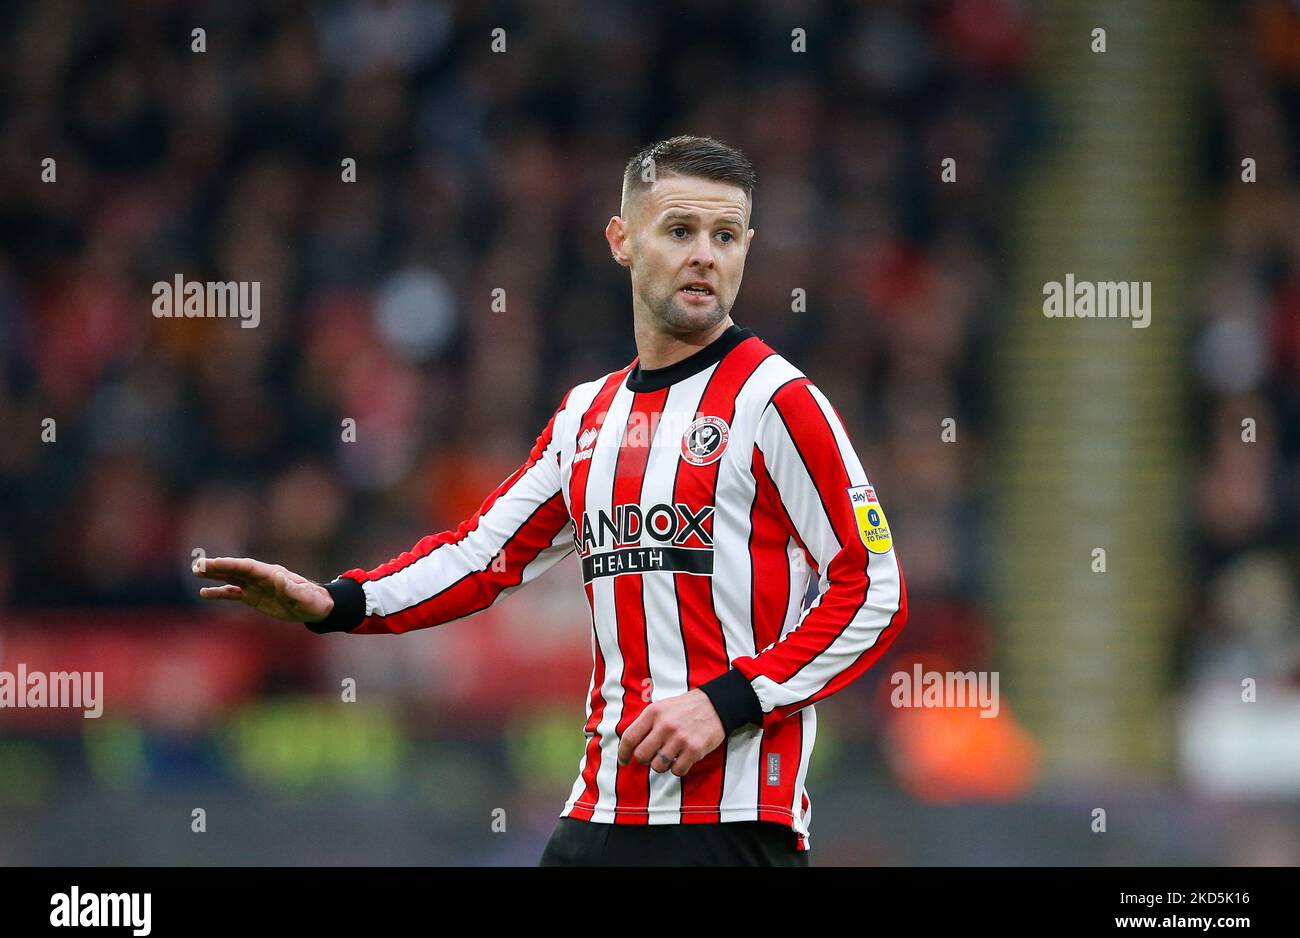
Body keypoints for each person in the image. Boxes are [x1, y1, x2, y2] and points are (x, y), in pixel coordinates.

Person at [195, 135, 908, 866]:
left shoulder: (778, 402)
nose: (704, 255)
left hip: (731, 824)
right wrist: (338, 603)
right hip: (596, 817)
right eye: (680, 231)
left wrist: (728, 703)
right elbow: (481, 557)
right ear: (622, 241)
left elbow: (872, 588)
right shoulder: (585, 417)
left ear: (747, 250)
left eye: (725, 236)